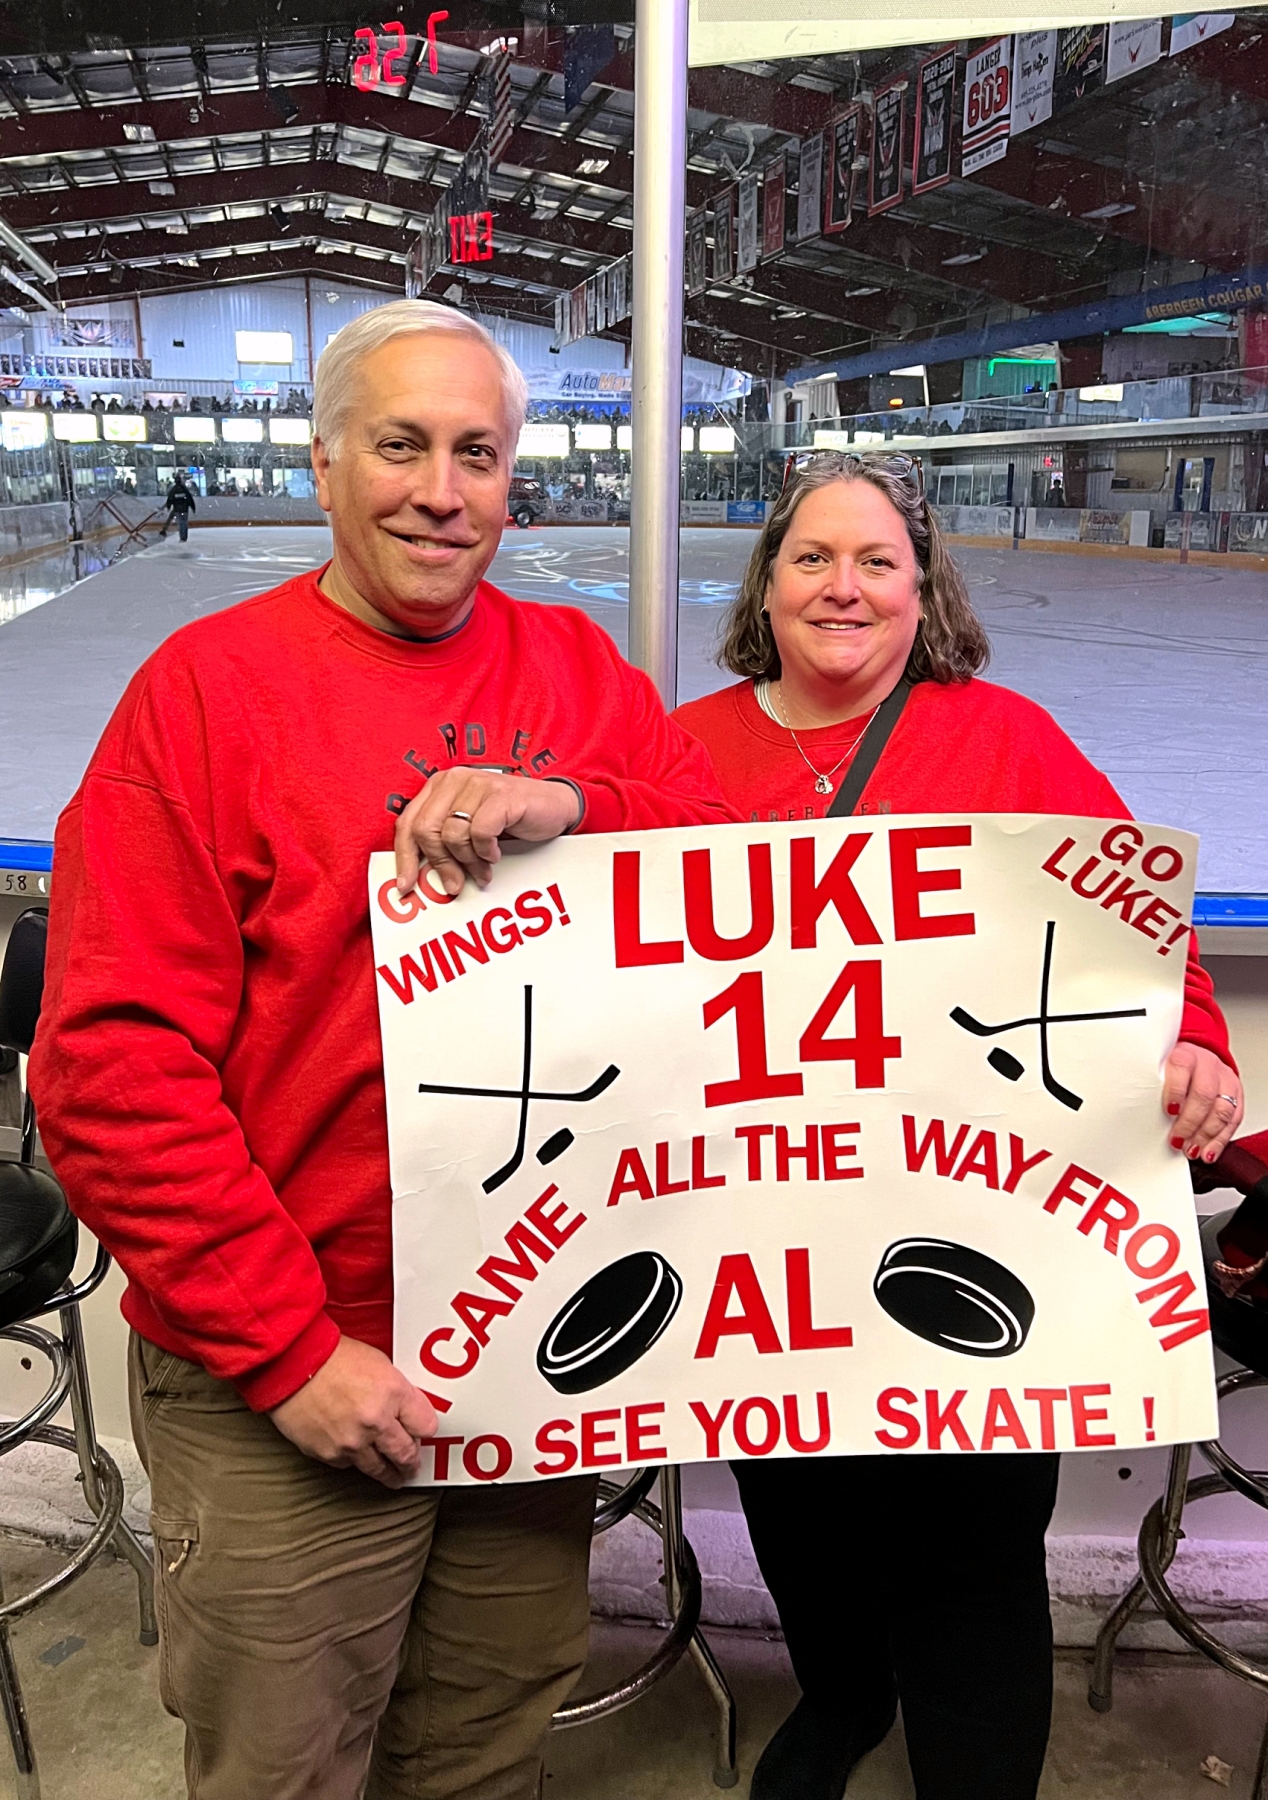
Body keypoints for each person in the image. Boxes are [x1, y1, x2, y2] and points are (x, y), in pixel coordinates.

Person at [29, 298, 734, 1800]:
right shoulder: (207, 697)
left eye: (476, 452)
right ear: (326, 460)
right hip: (300, 1369)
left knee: (479, 1752)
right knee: (286, 1770)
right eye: (401, 445)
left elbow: (732, 870)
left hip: (526, 1349)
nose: (440, 489)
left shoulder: (577, 675)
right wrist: (289, 1353)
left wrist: (579, 808)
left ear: (513, 473)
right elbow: (109, 1077)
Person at [671, 450, 1242, 1800]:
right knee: (801, 1507)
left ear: (925, 587)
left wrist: (1200, 1041)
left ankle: (973, 1758)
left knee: (971, 1526)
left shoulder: (1006, 739)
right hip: (770, 1227)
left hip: (978, 1215)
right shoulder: (683, 751)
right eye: (813, 557)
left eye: (878, 559)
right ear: (767, 581)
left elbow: (1136, 934)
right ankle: (846, 1694)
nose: (845, 586)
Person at [161, 471, 197, 542]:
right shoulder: (184, 489)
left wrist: (168, 507)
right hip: (184, 509)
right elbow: (189, 499)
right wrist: (193, 508)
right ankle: (184, 537)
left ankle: (182, 537)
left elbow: (170, 499)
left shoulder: (174, 489)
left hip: (177, 509)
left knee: (181, 523)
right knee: (184, 523)